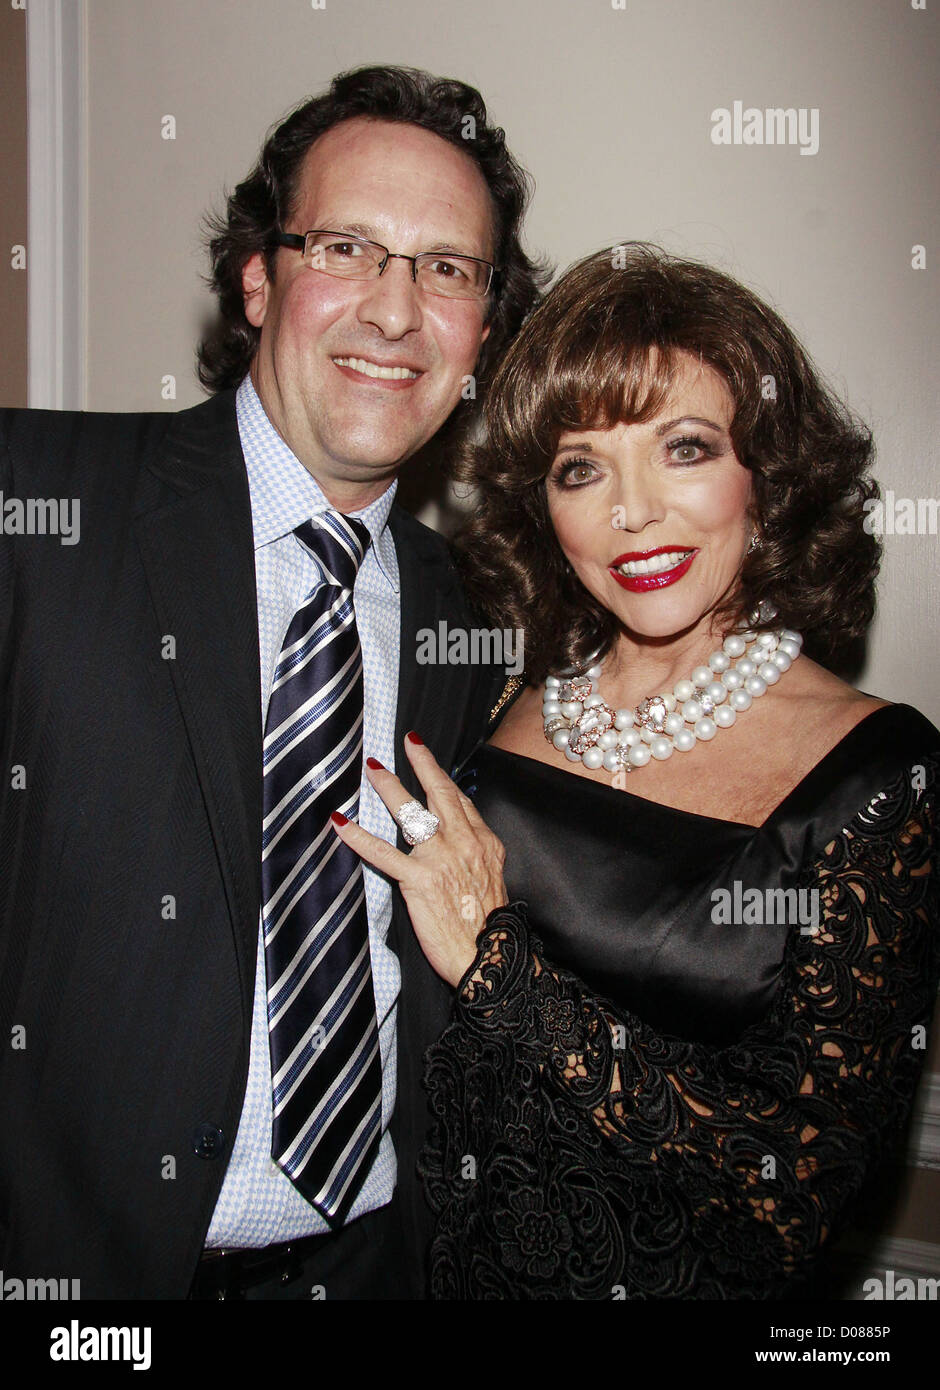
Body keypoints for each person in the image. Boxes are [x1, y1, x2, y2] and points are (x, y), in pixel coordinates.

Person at [0, 65, 544, 1299]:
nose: (397, 312)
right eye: (348, 246)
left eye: (447, 269)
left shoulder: (484, 620)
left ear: (483, 328)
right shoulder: (35, 503)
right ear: (259, 277)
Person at [334, 243, 940, 1299]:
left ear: (769, 472)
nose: (632, 510)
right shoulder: (490, 693)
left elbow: (787, 1192)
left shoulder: (878, 773)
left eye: (686, 448)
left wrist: (498, 960)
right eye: (581, 467)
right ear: (543, 507)